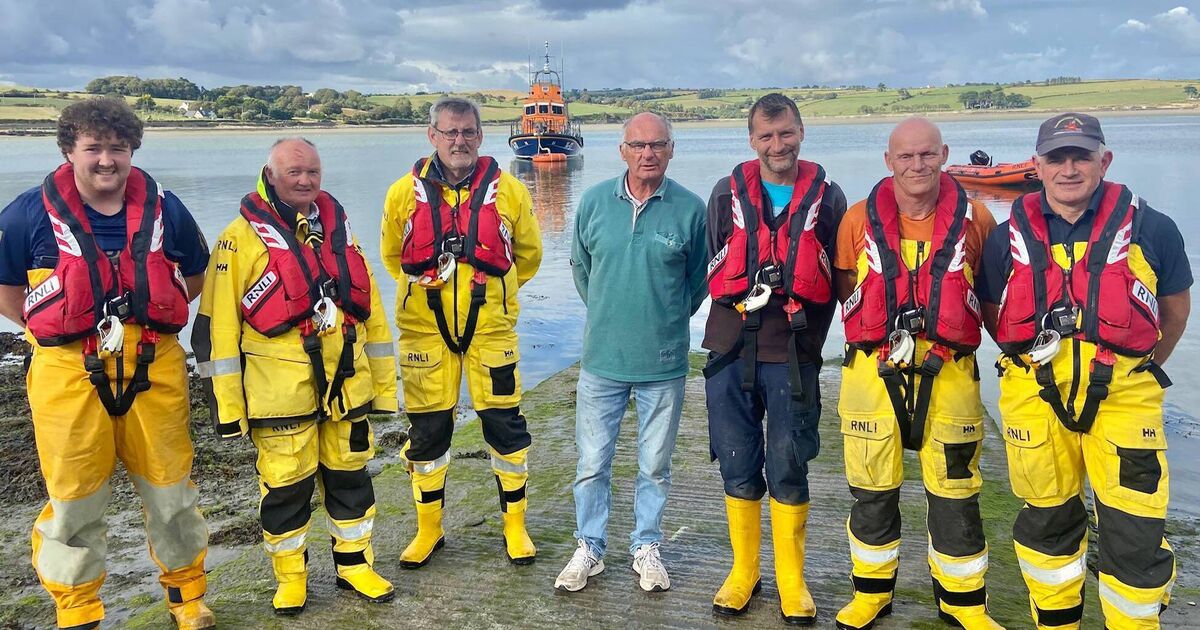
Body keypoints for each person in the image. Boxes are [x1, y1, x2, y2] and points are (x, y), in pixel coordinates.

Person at [0, 98, 214, 629]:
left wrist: (148, 313)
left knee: (172, 494)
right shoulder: (27, 213)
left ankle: (187, 599)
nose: (105, 160)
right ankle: (78, 610)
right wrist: (50, 332)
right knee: (74, 500)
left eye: (116, 148)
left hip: (154, 364)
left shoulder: (168, 209)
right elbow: (7, 292)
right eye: (92, 147)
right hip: (66, 369)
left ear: (132, 150)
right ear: (69, 149)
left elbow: (195, 277)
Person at [979, 113, 1191, 630]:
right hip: (1035, 400)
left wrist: (1135, 369)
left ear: (1105, 160)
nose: (1068, 168)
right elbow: (993, 314)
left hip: (1124, 401)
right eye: (1056, 157)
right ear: (1037, 165)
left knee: (1134, 534)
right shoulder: (1005, 239)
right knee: (1046, 525)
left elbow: (1175, 311)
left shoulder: (1153, 228)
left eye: (1081, 156)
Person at [192, 138, 398, 615]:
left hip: (347, 388)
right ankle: (291, 579)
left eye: (312, 172)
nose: (305, 181)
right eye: (294, 173)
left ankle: (355, 566)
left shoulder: (339, 232)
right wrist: (228, 409)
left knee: (352, 481)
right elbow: (214, 331)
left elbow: (375, 319)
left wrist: (384, 390)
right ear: (270, 173)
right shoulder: (236, 239)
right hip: (278, 397)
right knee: (286, 492)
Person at [833, 117, 1000, 630]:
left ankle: (965, 605)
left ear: (944, 154)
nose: (917, 165)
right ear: (888, 161)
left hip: (950, 376)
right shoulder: (858, 220)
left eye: (927, 154)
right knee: (872, 493)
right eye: (905, 156)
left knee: (956, 496)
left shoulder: (978, 220)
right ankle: (871, 595)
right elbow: (846, 289)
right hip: (872, 376)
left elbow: (993, 301)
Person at [381, 97, 543, 568]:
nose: (459, 141)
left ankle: (515, 528)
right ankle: (428, 531)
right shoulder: (400, 194)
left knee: (506, 428)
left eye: (468, 132)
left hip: (491, 332)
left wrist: (498, 292)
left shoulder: (511, 192)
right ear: (432, 136)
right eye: (449, 132)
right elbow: (394, 258)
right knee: (428, 433)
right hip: (424, 334)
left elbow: (528, 257)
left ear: (480, 135)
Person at [702, 93, 845, 624]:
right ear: (752, 141)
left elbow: (837, 280)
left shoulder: (829, 199)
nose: (777, 145)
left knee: (789, 465)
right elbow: (715, 261)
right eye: (766, 136)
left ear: (801, 132)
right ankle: (745, 572)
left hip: (793, 356)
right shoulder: (725, 193)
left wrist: (809, 344)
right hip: (729, 351)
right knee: (737, 464)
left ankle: (792, 579)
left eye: (785, 133)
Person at [554, 112, 708, 593]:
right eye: (638, 145)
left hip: (663, 363)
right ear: (622, 150)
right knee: (592, 463)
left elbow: (699, 280)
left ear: (671, 150)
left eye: (658, 145)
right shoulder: (595, 203)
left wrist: (664, 316)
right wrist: (608, 311)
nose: (648, 154)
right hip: (602, 361)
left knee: (654, 466)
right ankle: (590, 547)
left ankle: (646, 546)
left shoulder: (691, 209)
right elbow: (582, 269)